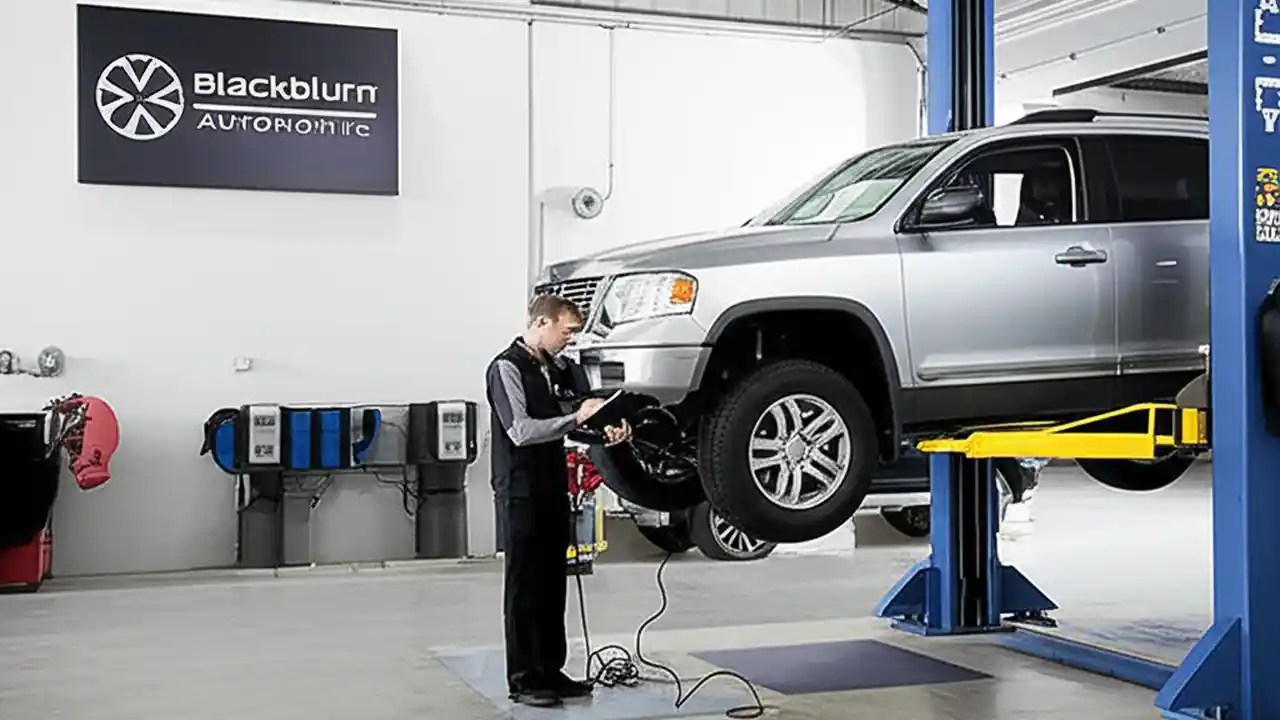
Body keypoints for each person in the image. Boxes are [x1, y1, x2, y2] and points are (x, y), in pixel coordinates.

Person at [485, 293, 632, 708]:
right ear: (543, 323)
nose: (571, 340)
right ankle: (524, 678)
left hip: (553, 486)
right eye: (567, 332)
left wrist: (605, 431)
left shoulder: (560, 369)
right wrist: (576, 419)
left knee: (553, 582)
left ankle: (551, 669)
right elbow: (522, 430)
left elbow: (574, 419)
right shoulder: (506, 368)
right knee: (524, 586)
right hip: (519, 490)